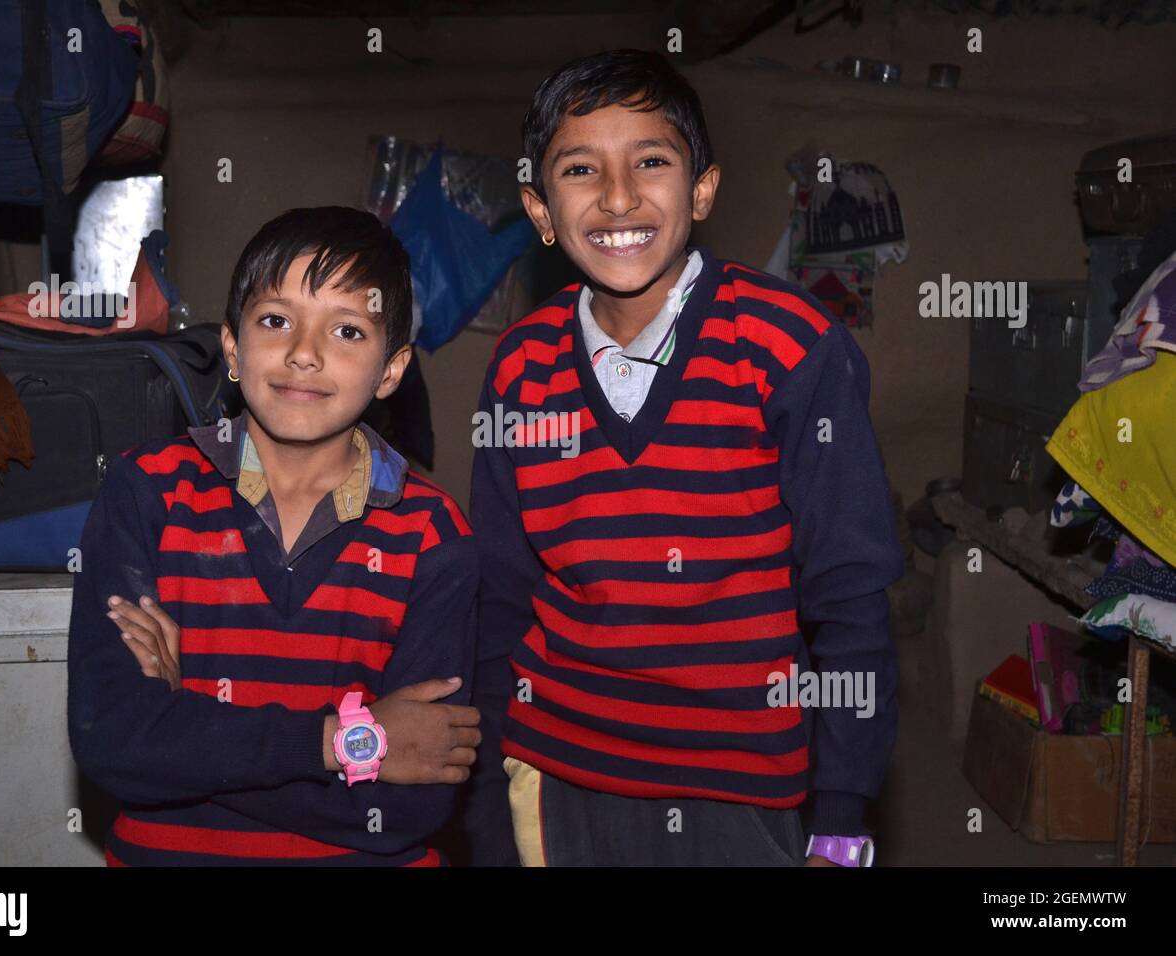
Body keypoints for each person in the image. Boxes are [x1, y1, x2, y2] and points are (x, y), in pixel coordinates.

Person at [464, 49, 904, 867]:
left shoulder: (789, 348)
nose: (619, 196)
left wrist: (842, 818)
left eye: (652, 162)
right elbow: (501, 600)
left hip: (739, 789)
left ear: (702, 189)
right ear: (540, 209)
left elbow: (849, 596)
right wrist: (489, 798)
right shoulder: (522, 367)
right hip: (557, 773)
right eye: (581, 168)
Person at [67, 206, 481, 866]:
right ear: (232, 346)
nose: (304, 353)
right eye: (276, 320)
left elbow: (407, 809)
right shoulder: (147, 494)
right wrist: (344, 742)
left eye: (347, 330)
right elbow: (113, 745)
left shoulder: (433, 536)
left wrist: (182, 736)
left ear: (392, 370)